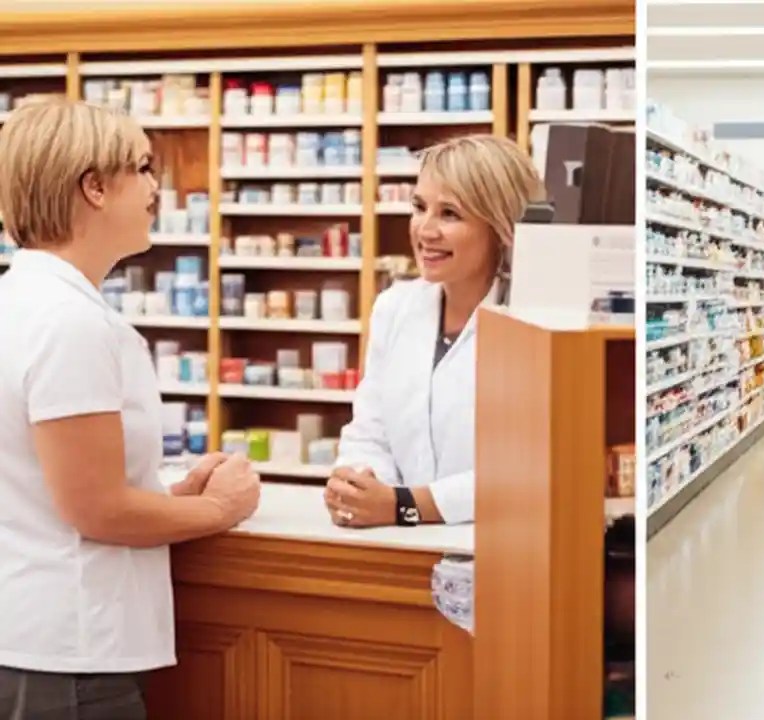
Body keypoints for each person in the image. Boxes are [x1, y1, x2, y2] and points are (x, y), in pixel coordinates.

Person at [0, 99, 261, 719]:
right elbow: (96, 509)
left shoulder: (22, 300)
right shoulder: (69, 324)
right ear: (92, 186)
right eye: (143, 168)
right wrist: (217, 508)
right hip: (68, 656)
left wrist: (170, 494)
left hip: (32, 638)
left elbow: (42, 484)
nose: (155, 189)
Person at [324, 135, 543, 528]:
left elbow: (530, 469)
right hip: (400, 544)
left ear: (500, 226)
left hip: (500, 552)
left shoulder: (536, 323)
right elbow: (368, 431)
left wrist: (404, 505)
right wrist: (357, 486)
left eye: (450, 214)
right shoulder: (395, 307)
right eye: (419, 207)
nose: (425, 230)